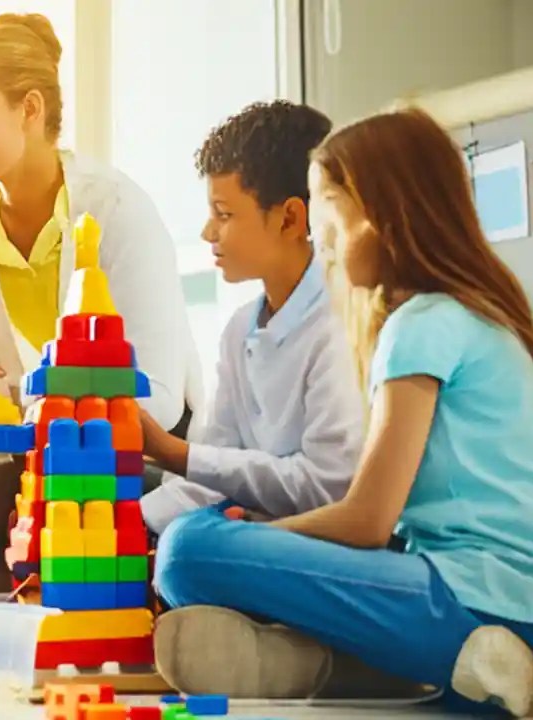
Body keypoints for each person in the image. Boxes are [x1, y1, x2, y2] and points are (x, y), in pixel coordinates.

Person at [153, 108, 533, 716]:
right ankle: (394, 668)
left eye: (332, 212)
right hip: (487, 595)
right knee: (206, 541)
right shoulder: (474, 315)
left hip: (466, 595)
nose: (323, 239)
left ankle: (452, 656)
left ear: (390, 216)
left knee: (189, 549)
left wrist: (253, 540)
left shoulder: (420, 326)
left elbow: (368, 520)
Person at [0, 12, 202, 593]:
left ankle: (111, 582)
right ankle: (54, 586)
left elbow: (157, 402)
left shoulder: (116, 210)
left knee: (72, 513)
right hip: (50, 448)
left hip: (142, 450)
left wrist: (21, 408)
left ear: (29, 109)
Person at [138, 100, 365, 534]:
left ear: (290, 219)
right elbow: (213, 474)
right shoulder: (240, 328)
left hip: (321, 540)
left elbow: (330, 487)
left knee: (187, 549)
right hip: (257, 524)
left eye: (224, 214)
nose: (209, 232)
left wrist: (173, 452)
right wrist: (127, 527)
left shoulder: (341, 324)